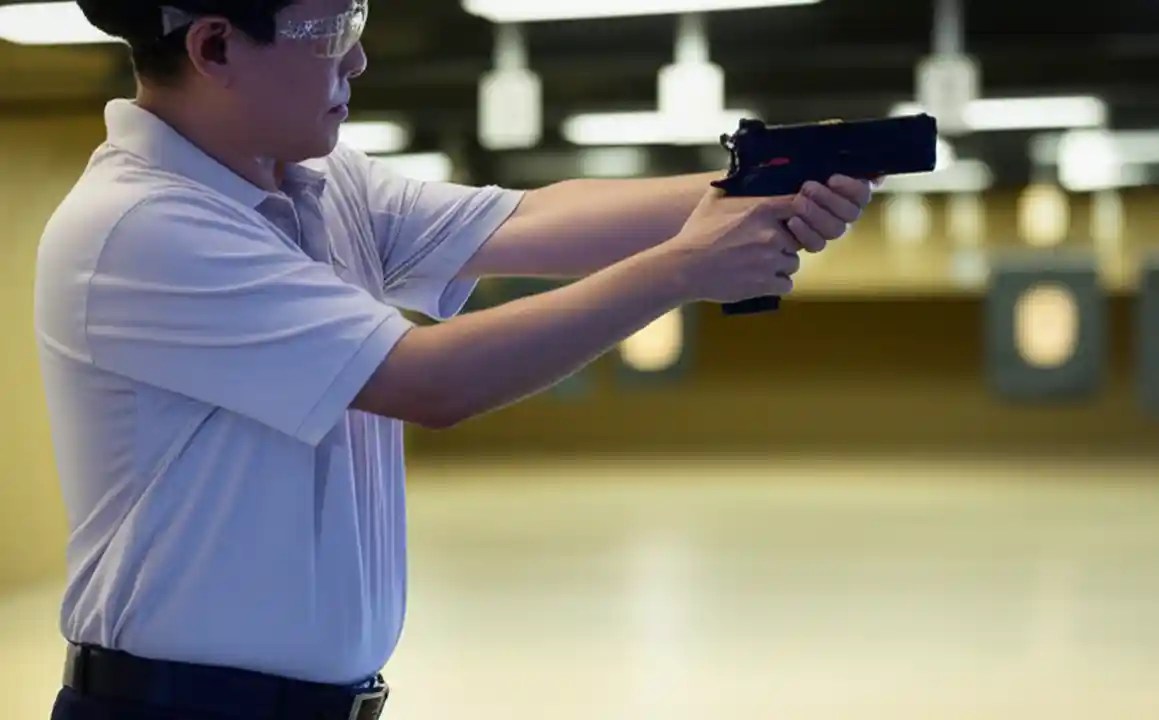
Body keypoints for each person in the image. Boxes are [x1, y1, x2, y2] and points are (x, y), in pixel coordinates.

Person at [33, 0, 878, 718]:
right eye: (330, 27)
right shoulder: (139, 226)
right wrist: (685, 268)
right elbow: (430, 380)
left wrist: (756, 186)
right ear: (214, 46)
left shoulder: (323, 184)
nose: (358, 57)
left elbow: (527, 221)